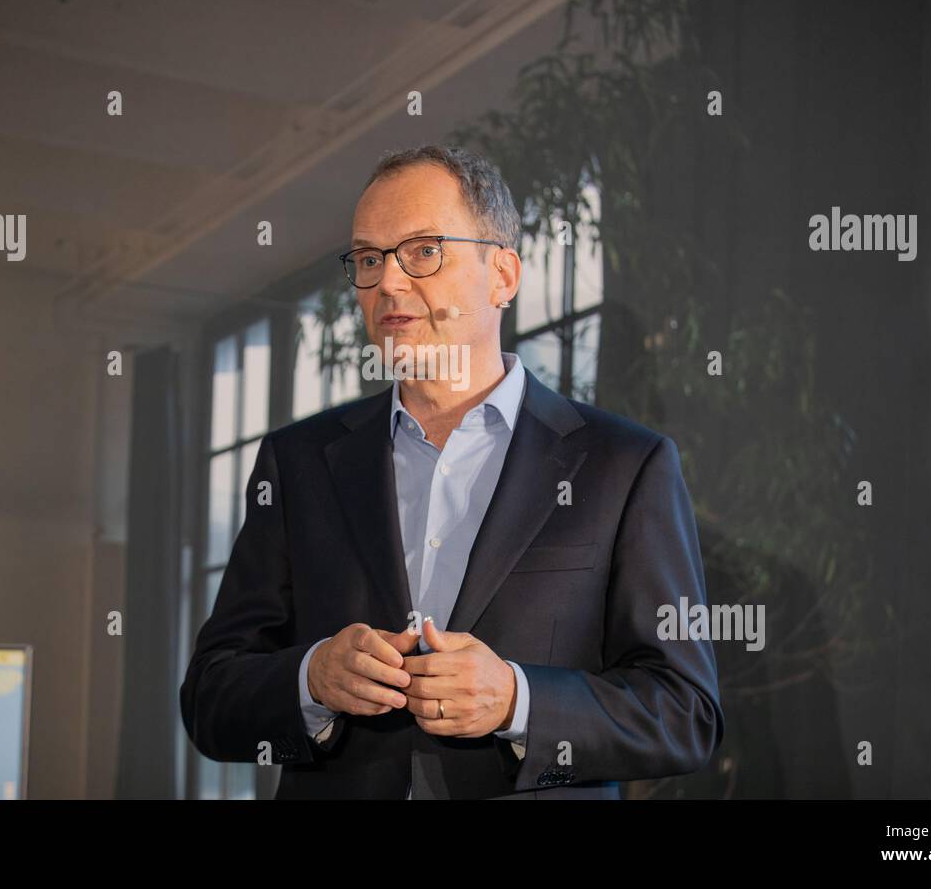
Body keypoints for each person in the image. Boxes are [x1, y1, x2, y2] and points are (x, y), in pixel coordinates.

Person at [180, 144, 723, 798]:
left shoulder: (625, 465)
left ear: (503, 275)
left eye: (423, 251)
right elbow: (210, 697)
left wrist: (517, 701)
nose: (387, 283)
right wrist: (313, 678)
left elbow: (683, 714)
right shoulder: (298, 463)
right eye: (370, 259)